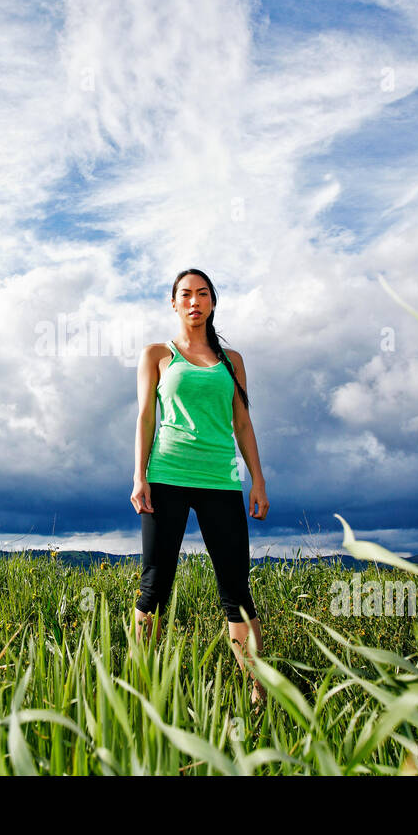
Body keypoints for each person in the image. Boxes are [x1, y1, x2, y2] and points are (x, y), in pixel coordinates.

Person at [130, 267, 269, 707]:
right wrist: (139, 476)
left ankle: (257, 689)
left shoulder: (233, 361)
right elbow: (146, 417)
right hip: (166, 474)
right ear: (174, 303)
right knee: (155, 584)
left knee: (236, 588)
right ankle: (140, 685)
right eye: (185, 294)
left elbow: (242, 422)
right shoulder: (157, 354)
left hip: (220, 480)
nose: (194, 301)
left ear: (212, 302)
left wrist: (257, 480)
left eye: (202, 294)